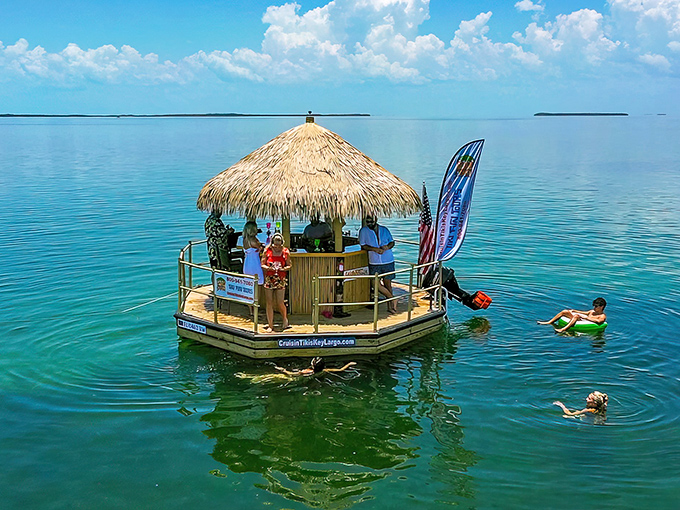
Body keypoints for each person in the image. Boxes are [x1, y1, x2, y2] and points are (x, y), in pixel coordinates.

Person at [359, 214, 397, 314]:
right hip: (374, 261)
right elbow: (363, 245)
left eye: (371, 221)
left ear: (376, 219)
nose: (369, 224)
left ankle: (391, 306)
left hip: (387, 260)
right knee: (375, 283)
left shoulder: (384, 229)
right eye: (368, 222)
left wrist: (387, 247)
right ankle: (392, 298)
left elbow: (392, 242)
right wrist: (374, 249)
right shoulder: (363, 231)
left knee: (388, 284)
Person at [260, 233, 292, 332]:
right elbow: (262, 264)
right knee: (269, 302)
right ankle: (270, 325)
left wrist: (283, 269)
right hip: (269, 277)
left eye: (279, 245)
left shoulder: (285, 252)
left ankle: (285, 319)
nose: (277, 247)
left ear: (282, 244)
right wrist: (269, 268)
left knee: (280, 302)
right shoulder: (267, 251)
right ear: (272, 243)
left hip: (280, 278)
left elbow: (289, 265)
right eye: (275, 245)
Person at [537, 297, 607, 333]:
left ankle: (563, 329)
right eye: (594, 306)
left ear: (601, 307)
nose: (594, 307)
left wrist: (585, 318)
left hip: (586, 323)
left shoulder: (602, 316)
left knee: (576, 316)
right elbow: (584, 312)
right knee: (565, 311)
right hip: (581, 320)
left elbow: (598, 321)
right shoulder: (592, 311)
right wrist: (574, 310)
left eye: (596, 306)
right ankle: (549, 322)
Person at [242, 221, 264, 315]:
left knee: (249, 286)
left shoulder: (244, 239)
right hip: (255, 264)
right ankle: (255, 309)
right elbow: (260, 247)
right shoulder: (253, 240)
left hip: (247, 264)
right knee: (258, 286)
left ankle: (251, 310)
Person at [274, 357, 357, 376]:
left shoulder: (306, 371)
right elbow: (340, 370)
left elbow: (292, 374)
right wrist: (349, 364)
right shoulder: (325, 370)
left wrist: (283, 370)